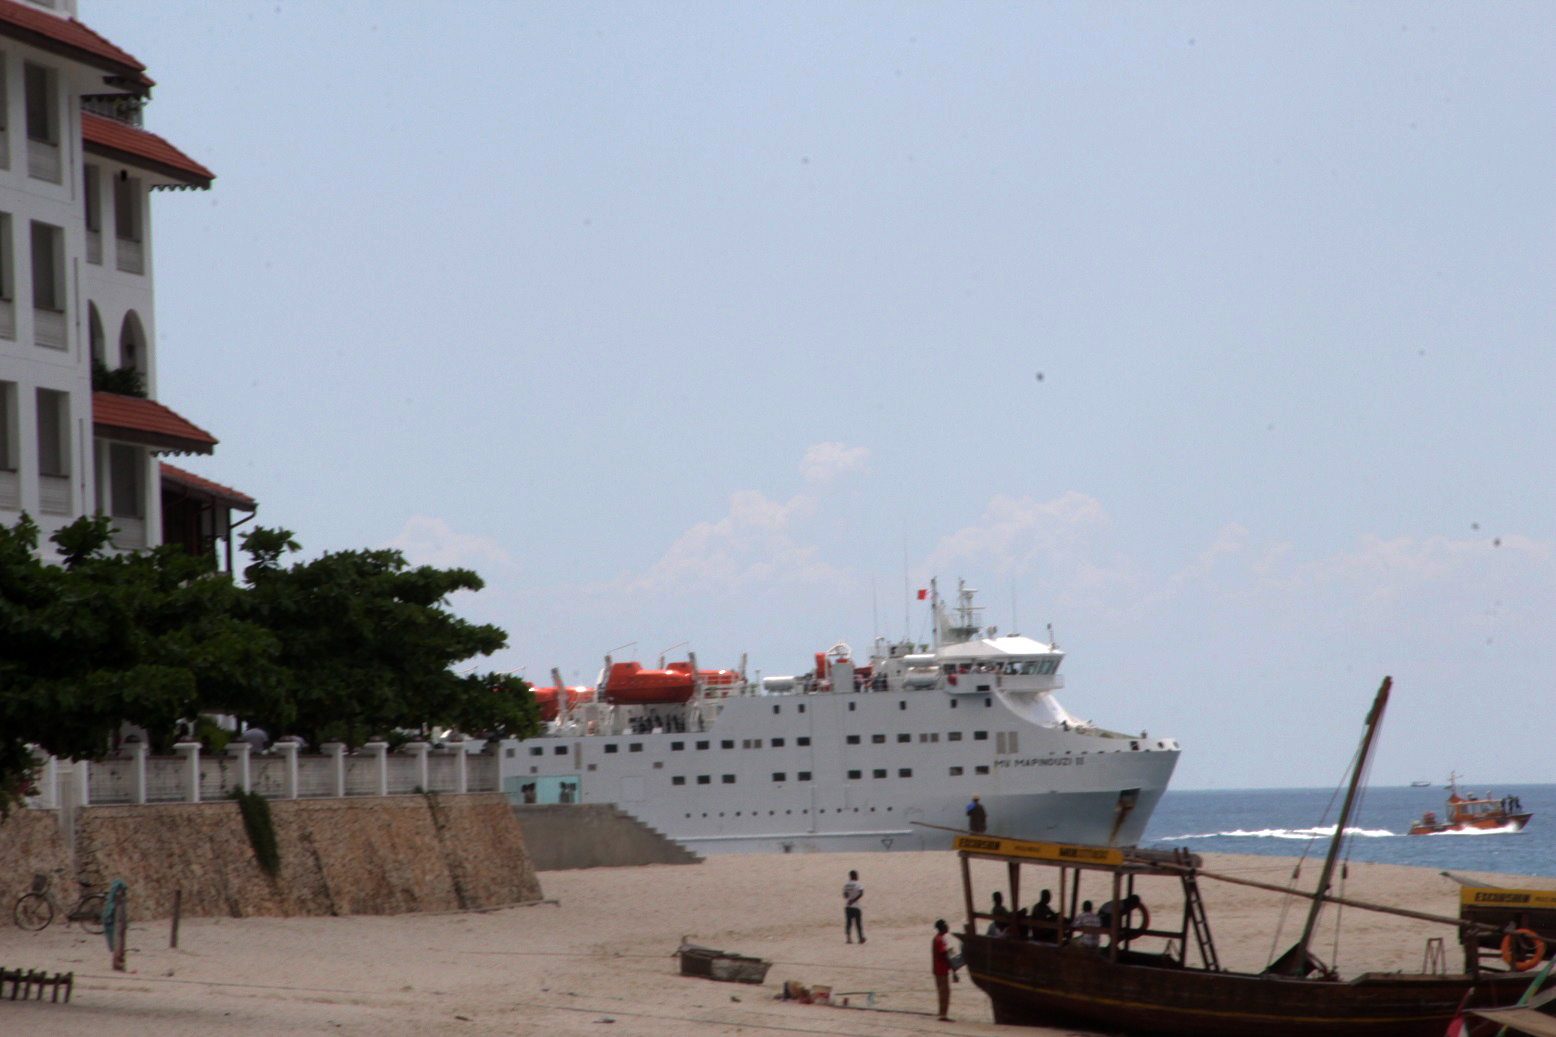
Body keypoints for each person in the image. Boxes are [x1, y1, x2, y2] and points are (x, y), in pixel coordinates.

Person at [931, 918, 961, 1021]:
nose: (948, 927)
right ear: (942, 927)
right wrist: (954, 971)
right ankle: (943, 1015)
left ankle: (941, 1012)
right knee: (945, 993)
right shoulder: (941, 940)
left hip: (937, 969)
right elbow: (945, 956)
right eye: (946, 925)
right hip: (941, 970)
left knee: (941, 992)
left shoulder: (936, 938)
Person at [843, 869, 865, 944]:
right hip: (856, 906)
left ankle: (848, 939)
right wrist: (854, 900)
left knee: (848, 922)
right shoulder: (858, 884)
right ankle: (860, 938)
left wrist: (849, 898)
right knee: (858, 923)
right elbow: (861, 893)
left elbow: (845, 895)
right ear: (855, 876)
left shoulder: (846, 884)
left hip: (847, 905)